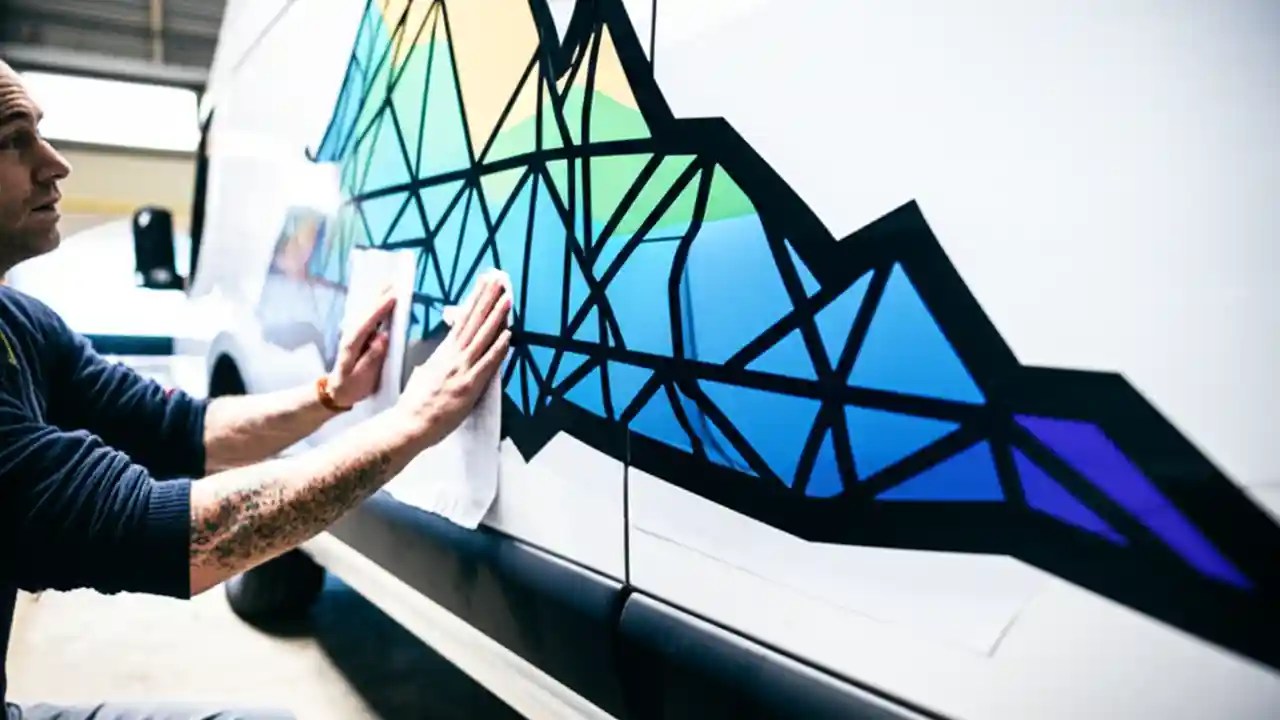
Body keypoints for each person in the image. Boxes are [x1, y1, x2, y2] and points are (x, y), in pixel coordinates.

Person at [0, 61, 512, 719]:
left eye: (39, 131)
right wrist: (409, 422)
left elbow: (181, 429)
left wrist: (333, 394)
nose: (55, 163)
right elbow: (177, 534)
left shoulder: (18, 324)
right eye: (13, 139)